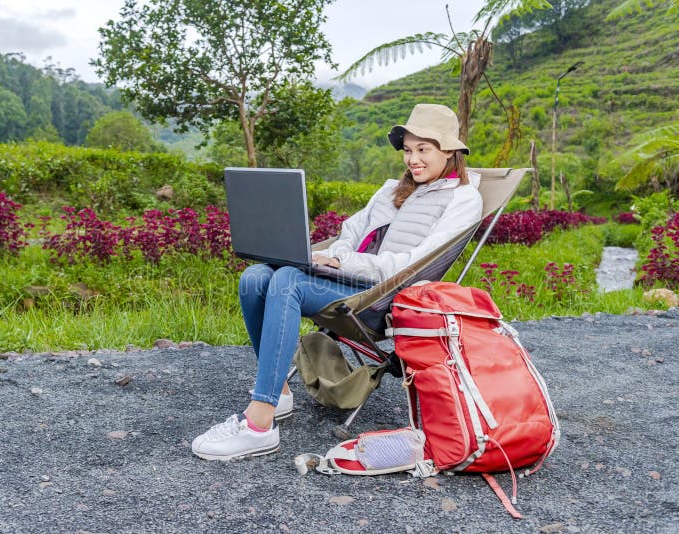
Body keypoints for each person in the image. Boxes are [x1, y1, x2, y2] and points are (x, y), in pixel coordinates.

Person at [192, 103, 483, 461]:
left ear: (450, 151)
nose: (413, 160)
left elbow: (414, 264)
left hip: (387, 297)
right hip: (347, 278)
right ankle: (278, 391)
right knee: (254, 278)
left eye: (424, 150)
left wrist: (345, 261)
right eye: (408, 150)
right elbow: (350, 233)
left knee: (286, 281)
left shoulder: (463, 198)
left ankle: (258, 426)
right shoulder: (393, 190)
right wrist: (330, 257)